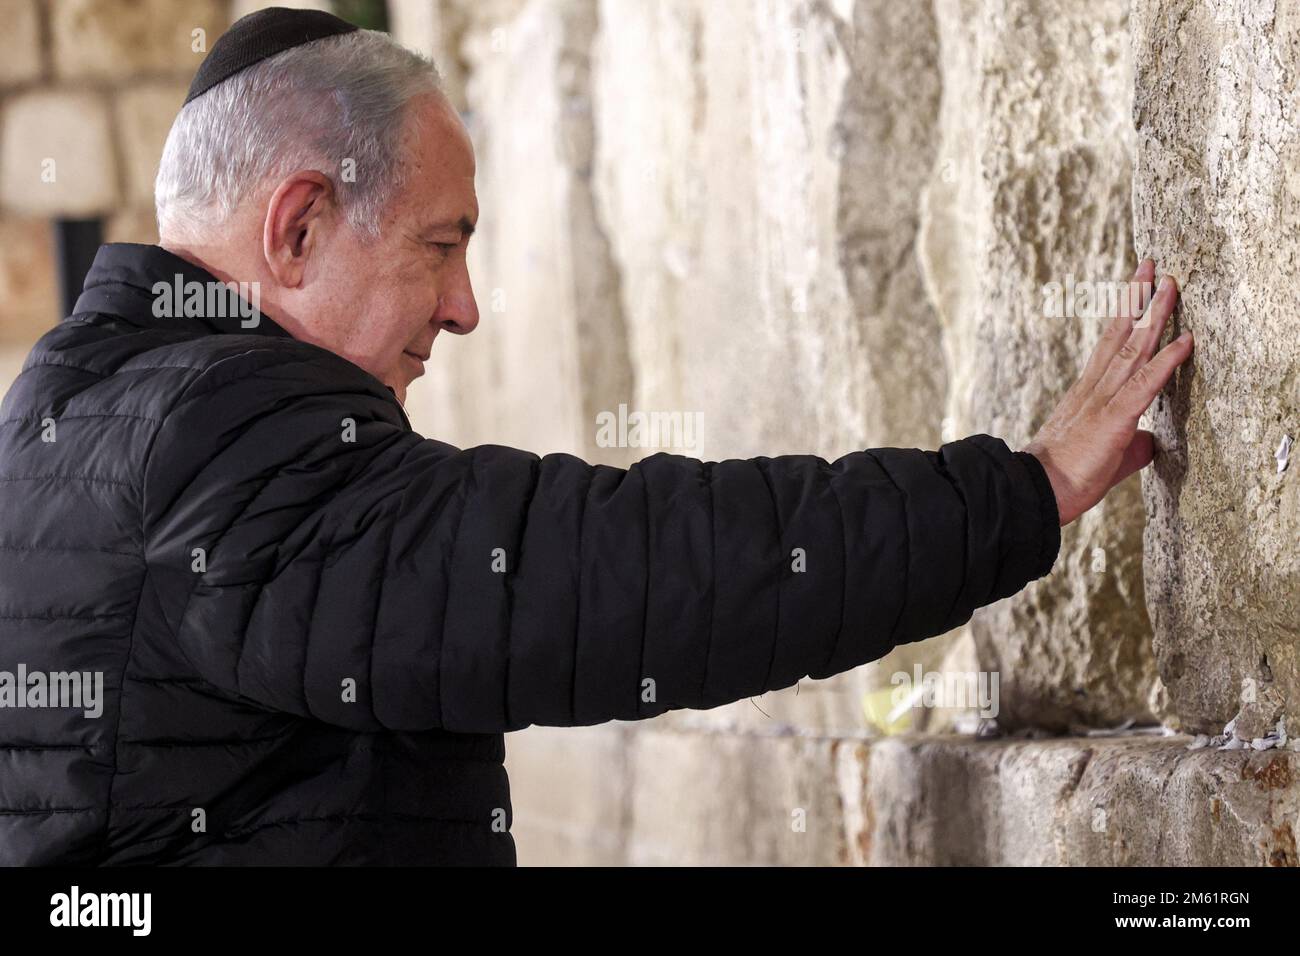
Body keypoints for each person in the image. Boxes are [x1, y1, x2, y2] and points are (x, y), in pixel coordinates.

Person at [0, 8, 1193, 865]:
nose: (465, 306)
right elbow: (623, 573)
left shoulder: (60, 433)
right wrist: (1018, 490)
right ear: (299, 225)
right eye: (440, 243)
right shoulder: (232, 447)